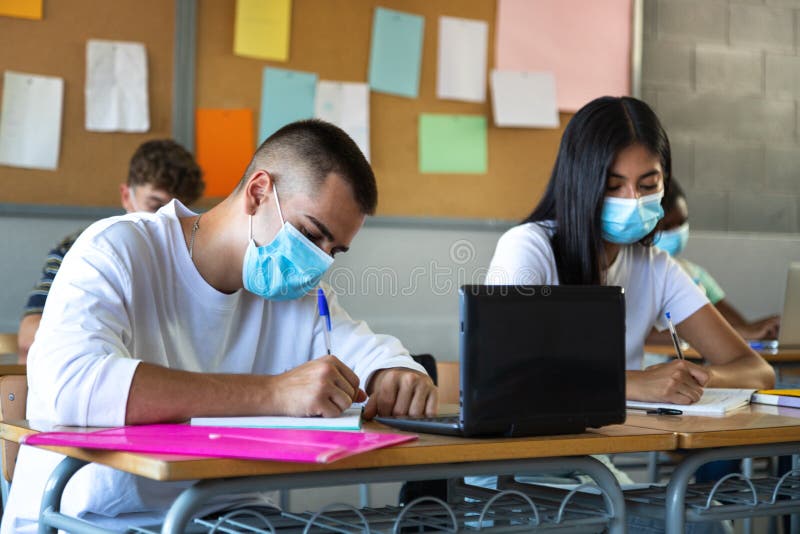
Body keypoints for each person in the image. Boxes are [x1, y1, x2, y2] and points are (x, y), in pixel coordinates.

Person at [2, 120, 437, 533]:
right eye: (310, 235)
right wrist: (274, 394)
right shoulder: (117, 248)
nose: (318, 261)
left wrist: (394, 374)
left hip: (223, 514)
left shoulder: (295, 293)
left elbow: (369, 352)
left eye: (334, 250)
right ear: (258, 192)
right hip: (88, 517)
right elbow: (74, 385)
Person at [481, 96, 773, 533]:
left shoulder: (655, 267)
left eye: (647, 183)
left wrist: (692, 379)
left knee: (707, 527)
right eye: (614, 185)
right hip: (510, 478)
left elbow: (756, 370)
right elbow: (501, 379)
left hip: (591, 471)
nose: (632, 200)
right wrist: (629, 383)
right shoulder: (528, 248)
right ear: (581, 182)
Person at [16, 139, 206, 362]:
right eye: (155, 206)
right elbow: (29, 335)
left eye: (180, 212)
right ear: (126, 196)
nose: (166, 220)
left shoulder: (194, 257)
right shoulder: (80, 249)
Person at [651, 178, 780, 341]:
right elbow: (644, 335)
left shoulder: (693, 274)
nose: (677, 232)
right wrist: (739, 334)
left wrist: (760, 328)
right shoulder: (636, 274)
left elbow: (735, 325)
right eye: (667, 226)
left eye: (681, 223)